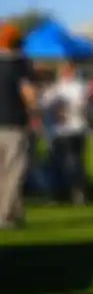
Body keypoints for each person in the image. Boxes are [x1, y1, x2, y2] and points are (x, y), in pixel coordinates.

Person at [0, 23, 38, 229]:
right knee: (14, 171)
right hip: (14, 124)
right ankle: (5, 215)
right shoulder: (19, 64)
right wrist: (35, 113)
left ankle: (13, 213)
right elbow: (28, 93)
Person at [44, 61, 90, 205]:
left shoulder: (79, 87)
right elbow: (45, 104)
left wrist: (68, 110)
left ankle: (77, 193)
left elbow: (82, 105)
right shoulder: (54, 88)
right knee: (56, 163)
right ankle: (57, 193)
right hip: (57, 131)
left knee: (75, 162)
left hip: (74, 129)